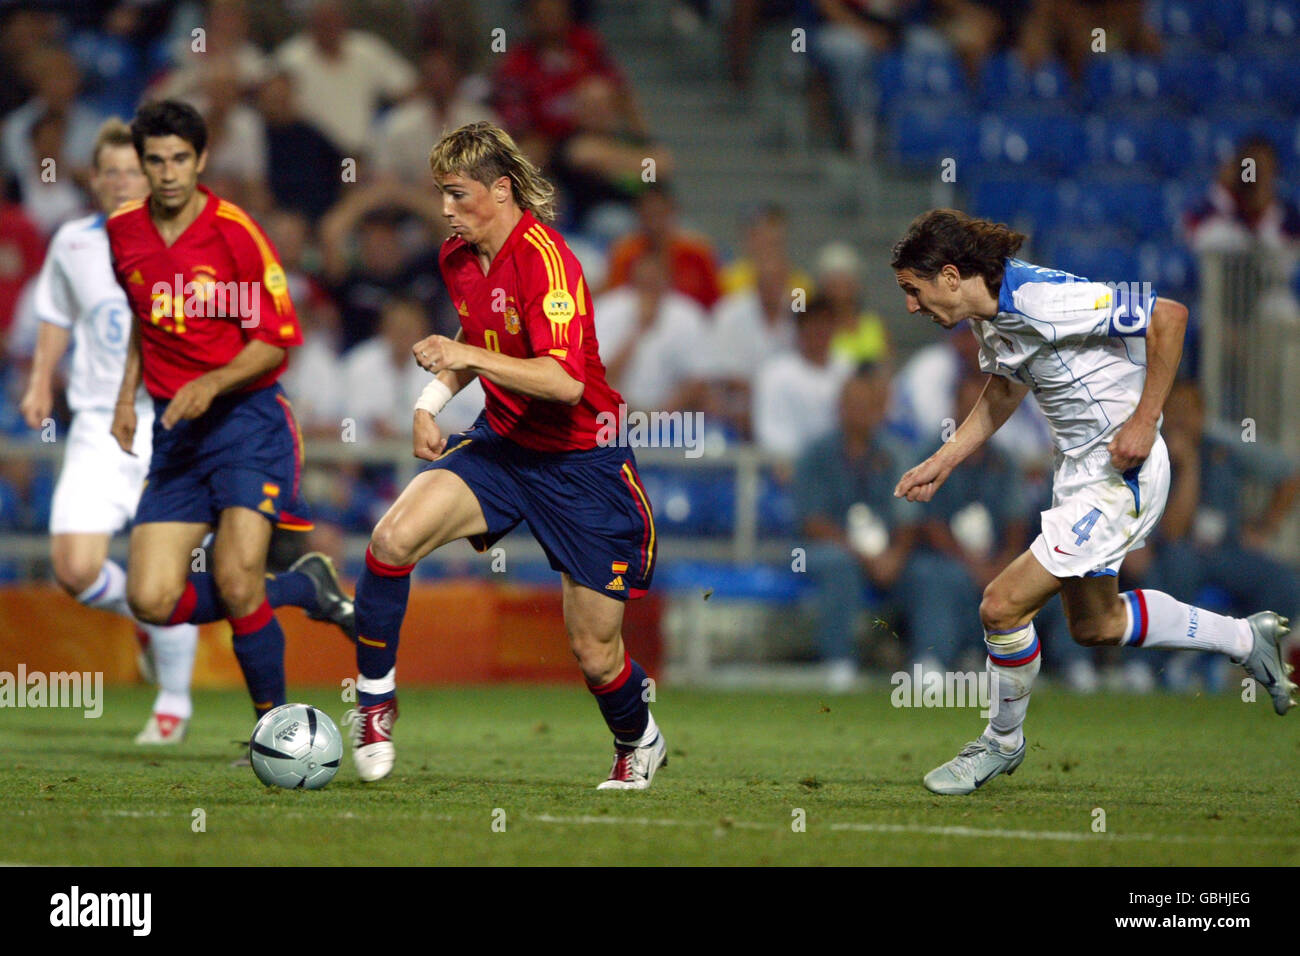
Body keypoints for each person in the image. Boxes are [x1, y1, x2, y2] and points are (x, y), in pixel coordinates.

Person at [891, 208, 1295, 795]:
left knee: (1001, 606)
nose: (910, 305)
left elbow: (1168, 317)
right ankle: (1243, 638)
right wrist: (944, 460)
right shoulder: (991, 314)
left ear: (950, 276)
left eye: (913, 289)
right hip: (1080, 475)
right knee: (1096, 623)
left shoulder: (1043, 300)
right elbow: (1006, 386)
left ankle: (1001, 742)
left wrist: (1145, 417)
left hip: (1119, 473)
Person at [346, 121, 665, 790]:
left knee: (594, 650)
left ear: (501, 189)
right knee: (391, 538)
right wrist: (429, 403)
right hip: (506, 448)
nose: (445, 209)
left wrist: (464, 356)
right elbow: (482, 330)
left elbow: (564, 380)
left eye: (458, 195)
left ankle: (638, 739)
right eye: (440, 194)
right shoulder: (458, 258)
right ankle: (374, 703)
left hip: (584, 464)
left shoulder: (550, 261)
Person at [106, 100, 354, 727]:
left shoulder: (235, 233)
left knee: (237, 575)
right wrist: (124, 394)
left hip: (246, 422)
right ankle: (303, 587)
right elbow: (144, 317)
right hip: (175, 432)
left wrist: (211, 382)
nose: (167, 172)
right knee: (152, 598)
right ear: (142, 162)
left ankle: (273, 727)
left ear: (202, 160)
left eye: (180, 159)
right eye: (155, 160)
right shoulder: (124, 231)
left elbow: (276, 338)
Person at [18, 118, 198, 744]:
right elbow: (54, 314)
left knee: (166, 574)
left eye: (134, 170)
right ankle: (148, 622)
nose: (123, 181)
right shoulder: (73, 243)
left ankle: (173, 700)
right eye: (112, 171)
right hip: (97, 424)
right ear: (95, 180)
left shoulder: (183, 239)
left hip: (167, 423)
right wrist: (42, 380)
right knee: (73, 567)